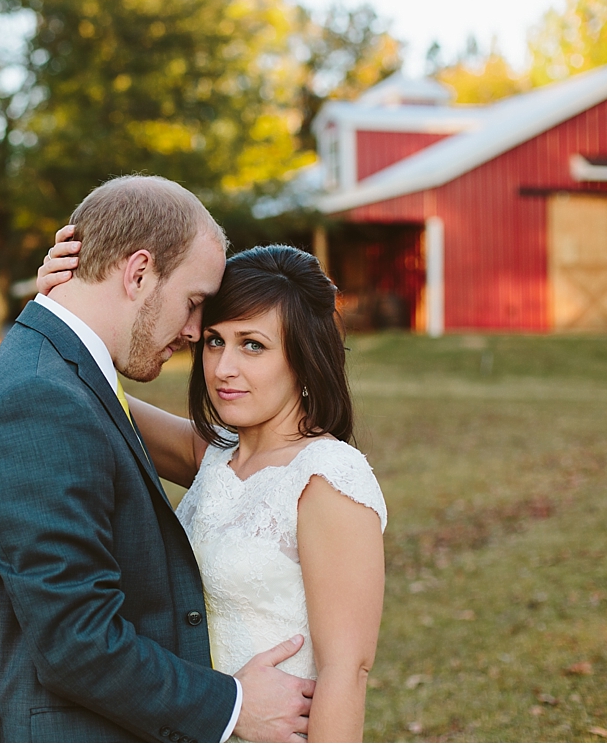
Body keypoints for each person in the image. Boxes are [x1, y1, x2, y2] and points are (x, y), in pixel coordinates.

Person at [0, 175, 316, 743]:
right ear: (139, 272)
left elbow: (214, 458)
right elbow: (76, 640)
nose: (196, 333)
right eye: (194, 304)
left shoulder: (62, 376)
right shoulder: (39, 399)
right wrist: (234, 706)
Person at [39, 234, 387, 742]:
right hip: (204, 724)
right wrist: (59, 311)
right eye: (214, 341)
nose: (223, 369)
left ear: (304, 358)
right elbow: (93, 396)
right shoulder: (216, 454)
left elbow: (346, 671)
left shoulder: (328, 477)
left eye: (253, 345)